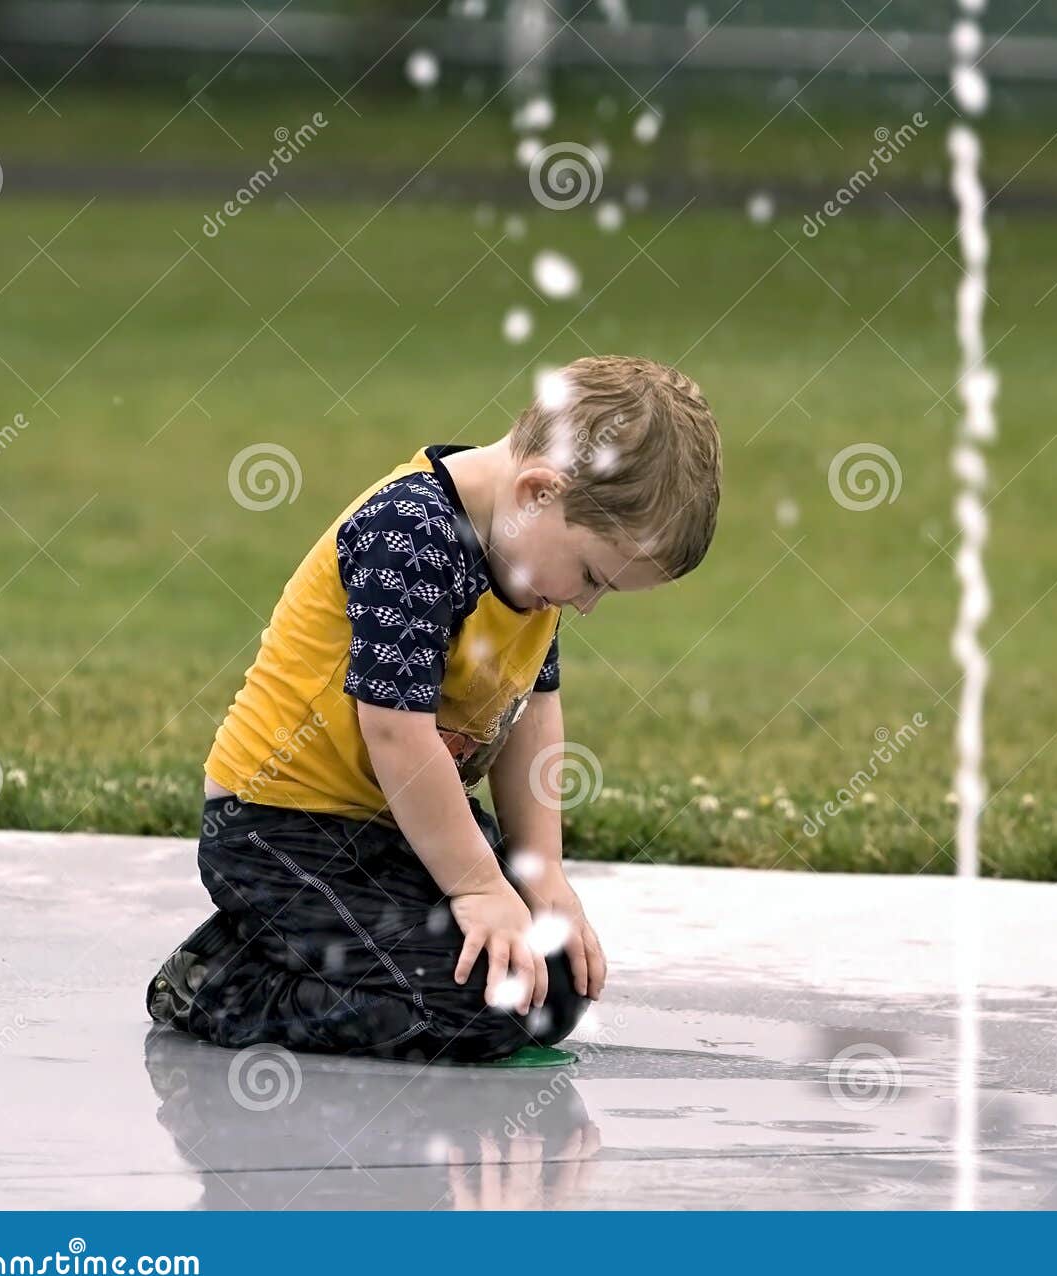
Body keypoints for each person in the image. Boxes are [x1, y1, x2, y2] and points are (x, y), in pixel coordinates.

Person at [146, 355, 723, 1063]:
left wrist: (542, 873)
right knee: (475, 1011)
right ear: (540, 491)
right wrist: (479, 884)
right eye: (592, 576)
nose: (586, 602)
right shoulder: (412, 535)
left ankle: (287, 941)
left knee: (549, 983)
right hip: (282, 830)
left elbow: (532, 714)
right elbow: (393, 733)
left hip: (394, 826)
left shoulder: (526, 556)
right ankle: (220, 982)